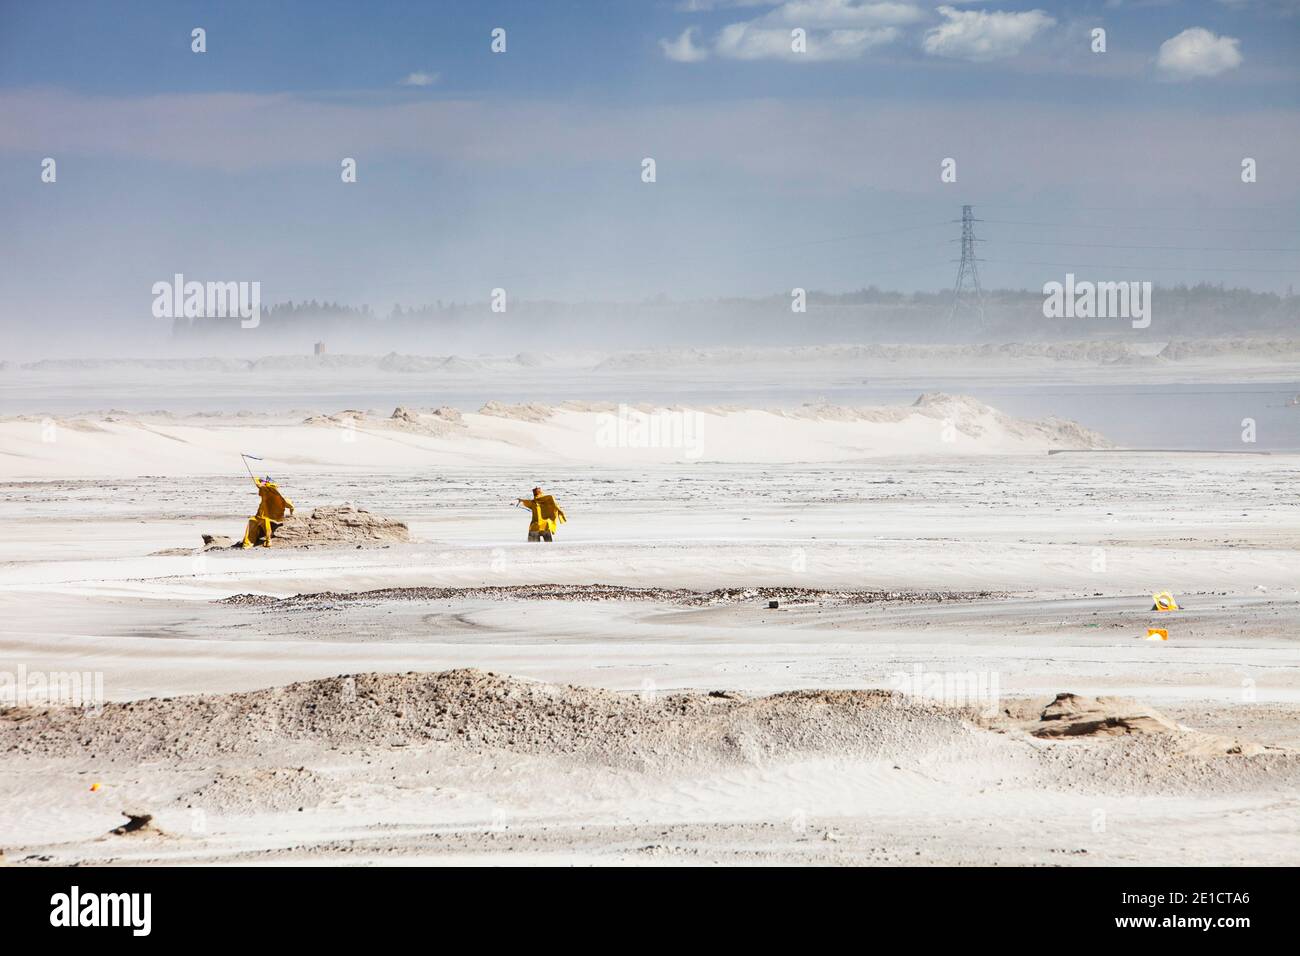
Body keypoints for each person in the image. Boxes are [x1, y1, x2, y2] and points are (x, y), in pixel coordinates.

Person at [242, 475, 295, 548]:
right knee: (252, 522)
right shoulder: (267, 490)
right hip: (259, 515)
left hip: (265, 515)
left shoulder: (269, 489)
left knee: (266, 527)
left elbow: (289, 505)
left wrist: (292, 513)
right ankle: (247, 543)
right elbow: (258, 482)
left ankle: (268, 541)